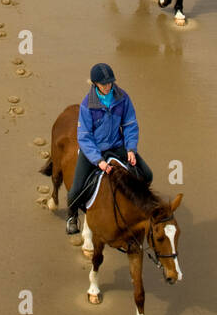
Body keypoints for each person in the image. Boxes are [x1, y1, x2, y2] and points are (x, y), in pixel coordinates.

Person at [65, 64, 153, 235]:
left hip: (118, 146)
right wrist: (99, 161)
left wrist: (131, 148)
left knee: (147, 174)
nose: (107, 86)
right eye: (103, 84)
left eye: (110, 83)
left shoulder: (123, 98)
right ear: (95, 84)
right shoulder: (86, 105)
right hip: (94, 150)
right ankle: (72, 217)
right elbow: (84, 136)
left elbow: (130, 124)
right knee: (76, 190)